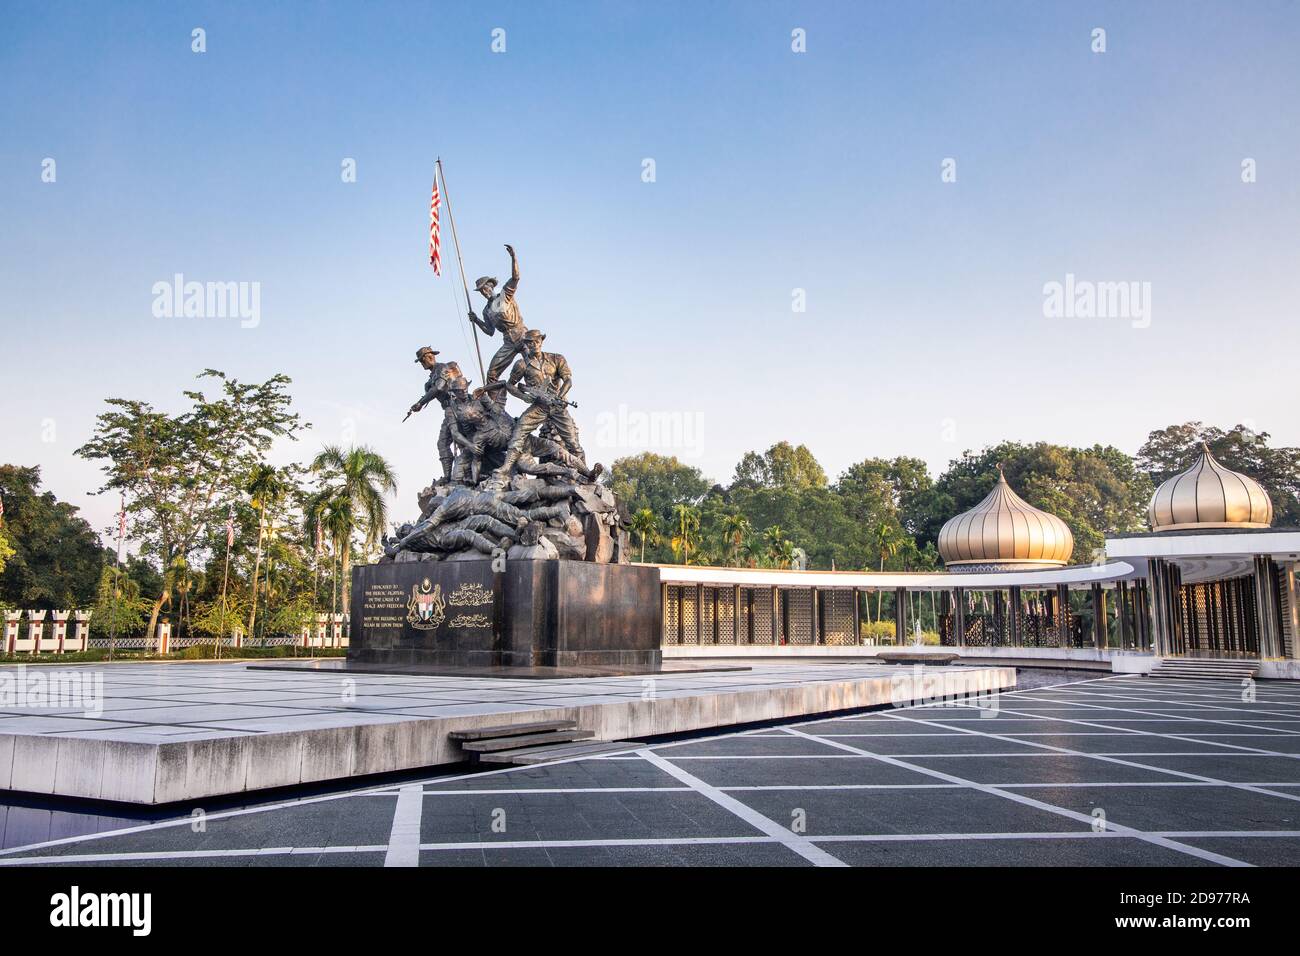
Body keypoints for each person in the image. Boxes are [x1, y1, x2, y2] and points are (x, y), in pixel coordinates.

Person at [467, 244, 528, 402]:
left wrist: (513, 257)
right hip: (507, 342)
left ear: (491, 286)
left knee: (533, 366)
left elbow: (516, 278)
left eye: (485, 287)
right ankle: (497, 407)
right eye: (480, 290)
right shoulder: (485, 310)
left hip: (522, 335)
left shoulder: (504, 295)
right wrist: (477, 321)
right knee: (492, 374)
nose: (483, 291)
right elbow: (490, 331)